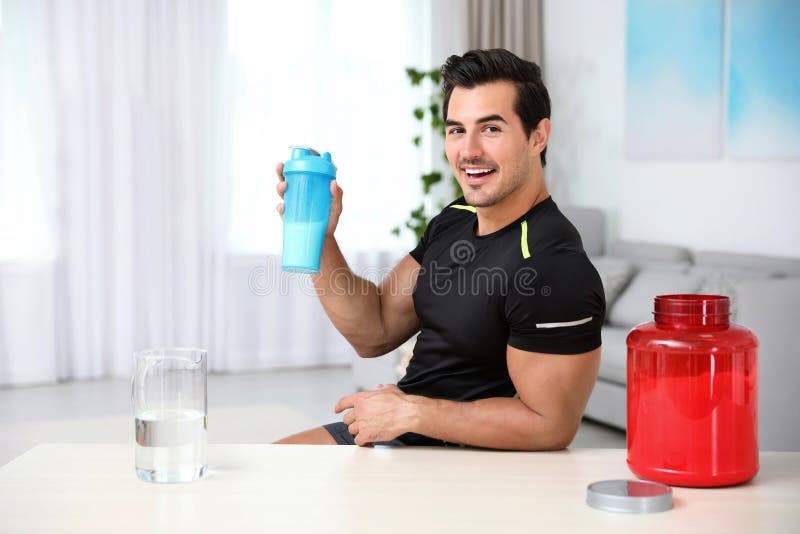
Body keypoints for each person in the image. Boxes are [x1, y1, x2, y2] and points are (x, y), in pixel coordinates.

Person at [274, 48, 605, 450]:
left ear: (538, 136)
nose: (468, 151)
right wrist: (321, 240)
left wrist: (413, 412)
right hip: (400, 430)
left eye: (491, 129)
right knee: (263, 476)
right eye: (456, 130)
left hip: (464, 460)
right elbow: (374, 330)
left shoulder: (553, 264)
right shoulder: (455, 219)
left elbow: (550, 426)